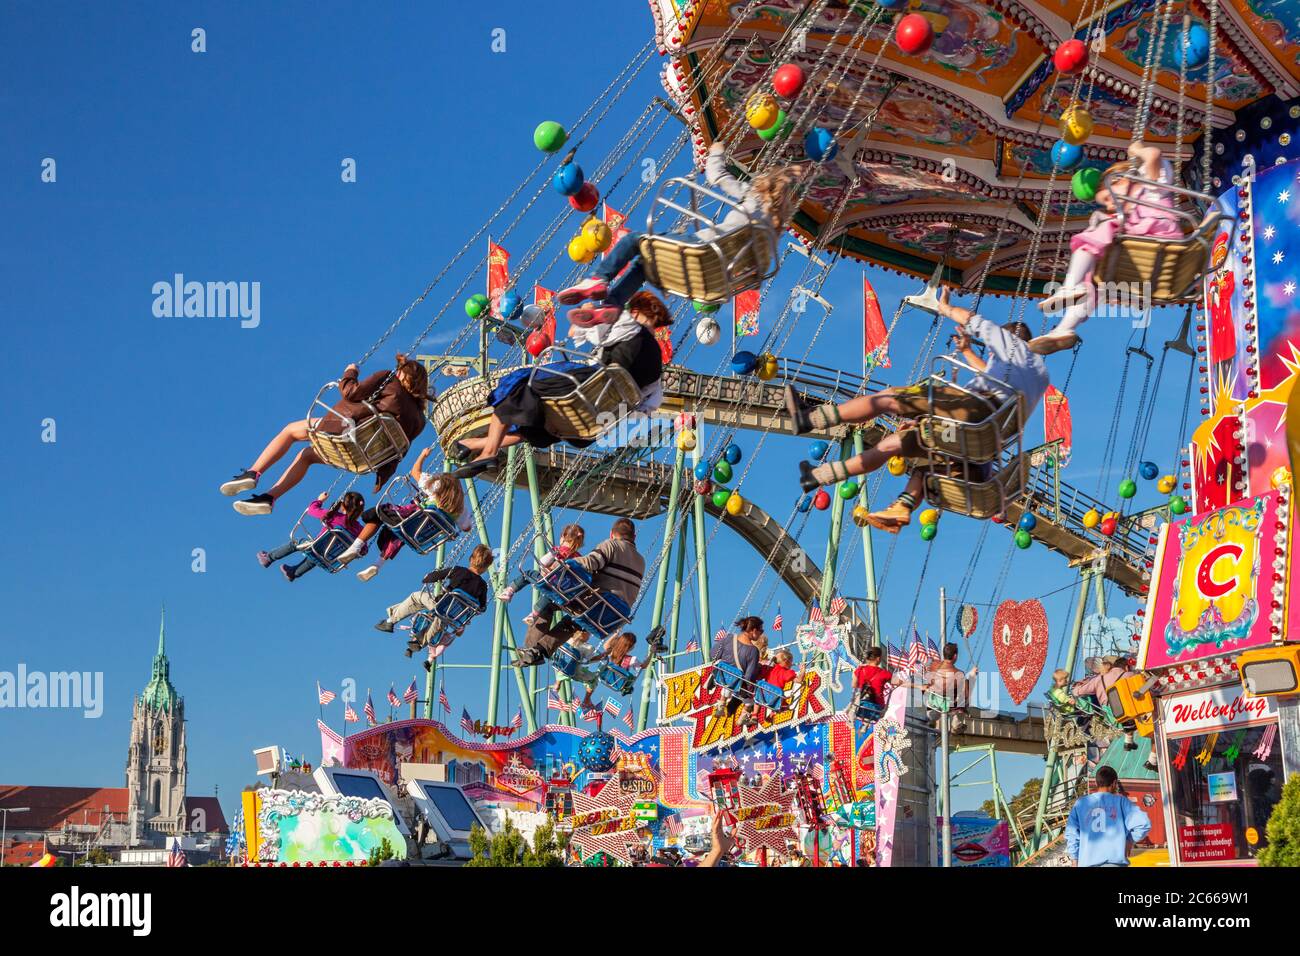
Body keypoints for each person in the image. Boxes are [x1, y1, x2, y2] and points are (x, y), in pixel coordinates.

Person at [789, 288, 1049, 522]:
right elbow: (993, 374)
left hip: (972, 413)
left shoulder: (1009, 344)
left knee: (890, 398)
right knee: (895, 445)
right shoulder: (1037, 375)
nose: (991, 354)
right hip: (978, 445)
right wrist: (968, 352)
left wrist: (945, 307)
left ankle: (810, 418)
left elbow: (970, 320)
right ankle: (825, 478)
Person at [556, 143, 803, 326]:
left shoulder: (753, 196)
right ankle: (610, 306)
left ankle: (599, 279)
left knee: (635, 241)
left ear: (765, 184)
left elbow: (715, 175)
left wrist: (717, 150)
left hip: (704, 248)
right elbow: (755, 279)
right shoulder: (770, 238)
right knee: (644, 264)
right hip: (712, 282)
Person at [452, 294, 673, 478]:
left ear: (635, 312)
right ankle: (476, 444)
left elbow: (580, 330)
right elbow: (644, 409)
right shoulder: (656, 376)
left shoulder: (628, 325)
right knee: (539, 422)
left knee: (517, 384)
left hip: (582, 387)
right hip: (593, 423)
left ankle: (489, 450)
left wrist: (588, 310)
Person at [221, 354, 431, 515]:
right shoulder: (419, 421)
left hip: (344, 429)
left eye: (399, 370)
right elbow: (399, 451)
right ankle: (269, 498)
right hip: (364, 457)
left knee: (290, 431)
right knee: (306, 456)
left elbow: (351, 392)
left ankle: (253, 473)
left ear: (404, 373)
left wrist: (350, 373)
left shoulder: (389, 379)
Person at [1032, 142, 1184, 355]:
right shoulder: (1128, 212)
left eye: (1108, 197)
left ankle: (1069, 285)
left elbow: (1154, 155)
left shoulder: (1151, 187)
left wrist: (1136, 150)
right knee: (1092, 282)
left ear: (1125, 179)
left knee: (1094, 235)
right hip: (1144, 252)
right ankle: (1064, 329)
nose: (1110, 205)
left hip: (1157, 237)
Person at [514, 518, 646, 666]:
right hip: (615, 616)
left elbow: (591, 563)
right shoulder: (641, 561)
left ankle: (531, 648)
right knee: (574, 622)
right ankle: (540, 650)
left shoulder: (611, 545)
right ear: (634, 537)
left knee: (550, 602)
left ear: (611, 534)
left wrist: (562, 565)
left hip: (598, 602)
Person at [342, 446, 472, 582]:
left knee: (375, 513)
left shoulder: (437, 487)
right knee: (397, 535)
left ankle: (356, 546)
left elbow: (414, 471)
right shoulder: (462, 509)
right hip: (421, 535)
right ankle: (377, 565)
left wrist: (423, 454)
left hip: (410, 520)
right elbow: (466, 528)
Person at [374, 544, 494, 656]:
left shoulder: (459, 571)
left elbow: (433, 577)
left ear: (471, 558)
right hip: (454, 616)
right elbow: (482, 608)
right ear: (486, 567)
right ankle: (419, 643)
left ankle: (390, 621)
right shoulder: (483, 586)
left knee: (416, 597)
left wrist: (428, 578)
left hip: (439, 605)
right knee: (439, 619)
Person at [257, 491, 366, 581]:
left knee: (296, 543)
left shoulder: (334, 515)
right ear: (361, 511)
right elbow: (363, 550)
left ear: (343, 505)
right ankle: (293, 573)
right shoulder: (361, 530)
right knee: (316, 557)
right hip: (331, 558)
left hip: (316, 547)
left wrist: (320, 500)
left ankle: (269, 558)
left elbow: (312, 510)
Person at [1064, 765, 1152, 867]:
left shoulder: (1081, 804)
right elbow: (1144, 824)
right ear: (1114, 783)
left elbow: (1072, 834)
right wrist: (1129, 841)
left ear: (1097, 783)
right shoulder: (1121, 802)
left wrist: (1075, 859)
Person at [498, 523, 586, 614]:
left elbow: (543, 562)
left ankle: (509, 592)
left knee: (528, 574)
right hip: (566, 591)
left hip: (551, 582)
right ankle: (534, 614)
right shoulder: (579, 558)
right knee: (550, 594)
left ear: (563, 536)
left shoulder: (558, 551)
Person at [1072, 655, 1140, 751]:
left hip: (1112, 717)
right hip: (1132, 714)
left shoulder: (1098, 680)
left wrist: (1079, 685)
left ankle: (1129, 740)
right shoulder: (1129, 675)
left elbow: (1076, 692)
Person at [710, 616, 764, 720]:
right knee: (752, 699)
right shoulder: (753, 651)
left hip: (722, 677)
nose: (761, 634)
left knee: (729, 679)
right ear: (754, 630)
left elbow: (713, 654)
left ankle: (721, 703)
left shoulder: (729, 638)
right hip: (736, 683)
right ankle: (744, 717)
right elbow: (749, 677)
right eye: (761, 631)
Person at [921, 642, 977, 732]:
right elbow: (966, 695)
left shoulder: (933, 665)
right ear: (955, 656)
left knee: (936, 695)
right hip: (947, 705)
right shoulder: (958, 674)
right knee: (963, 701)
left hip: (932, 702)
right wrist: (973, 675)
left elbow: (926, 675)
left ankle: (932, 719)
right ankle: (956, 724)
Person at [850, 646, 894, 717]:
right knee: (885, 706)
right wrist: (917, 686)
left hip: (861, 705)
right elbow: (899, 682)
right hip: (877, 708)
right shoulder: (884, 673)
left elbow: (853, 685)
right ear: (878, 659)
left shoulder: (860, 670)